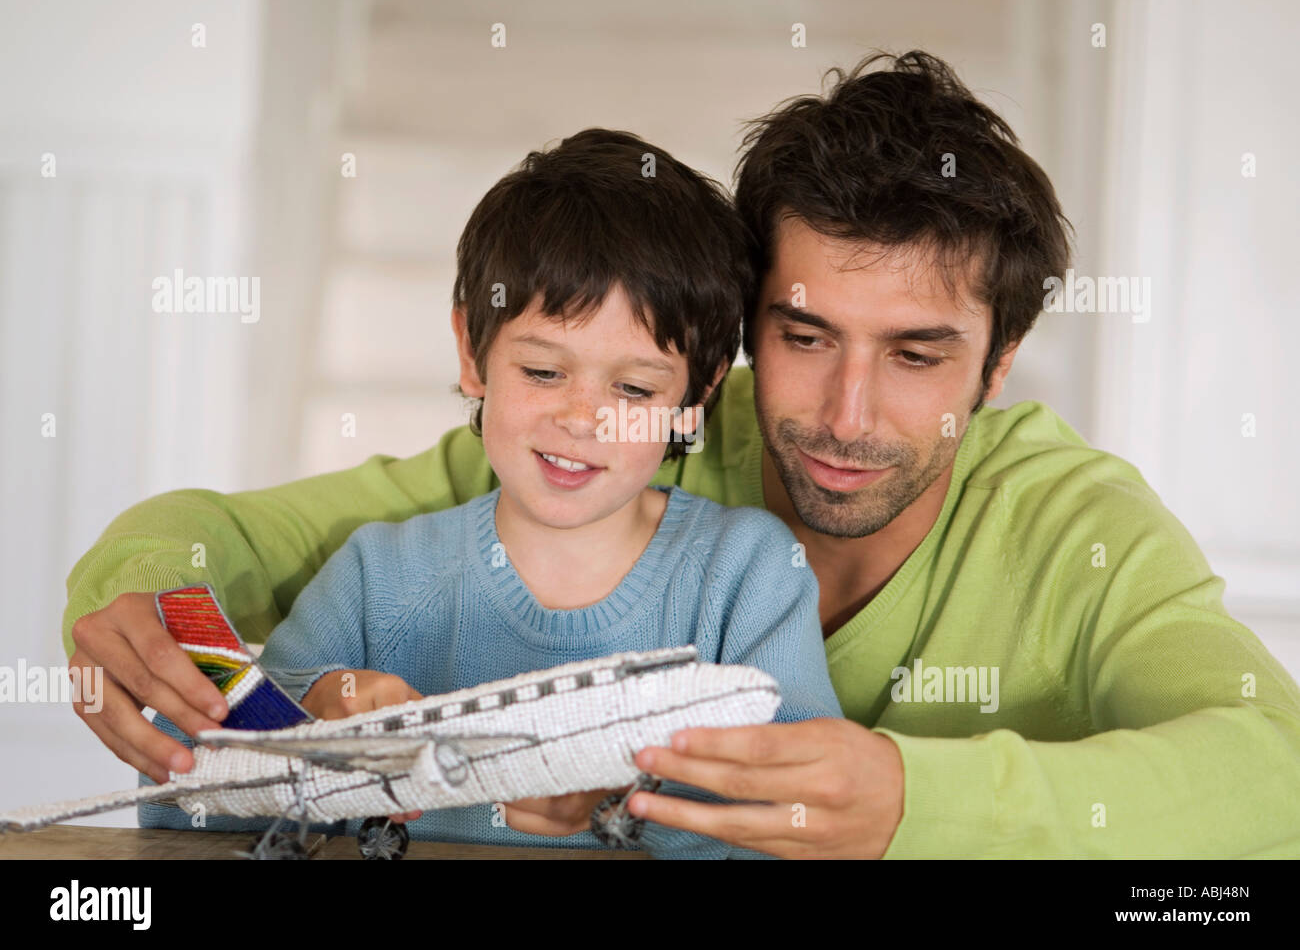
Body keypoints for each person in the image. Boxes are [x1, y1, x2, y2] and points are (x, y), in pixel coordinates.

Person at [64, 51, 1300, 858]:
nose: (847, 409)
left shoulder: (1068, 522)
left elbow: (1273, 774)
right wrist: (124, 583)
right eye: (804, 334)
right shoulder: (617, 447)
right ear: (738, 331)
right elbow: (232, 540)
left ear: (1001, 357)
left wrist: (915, 798)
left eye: (918, 354)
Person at [130, 128, 843, 857]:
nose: (580, 417)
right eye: (542, 371)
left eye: (632, 387)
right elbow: (182, 803)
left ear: (698, 395)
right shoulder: (378, 578)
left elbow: (802, 822)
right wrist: (314, 722)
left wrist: (622, 805)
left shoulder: (747, 575)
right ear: (473, 352)